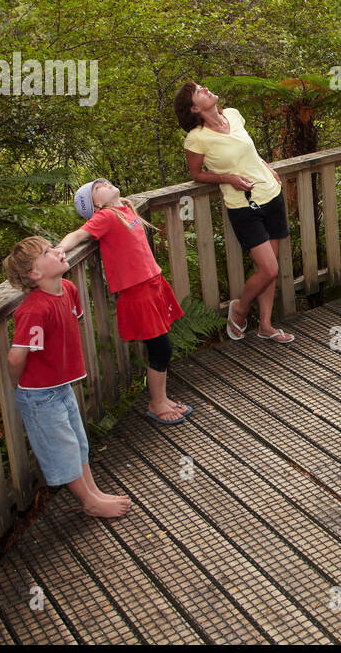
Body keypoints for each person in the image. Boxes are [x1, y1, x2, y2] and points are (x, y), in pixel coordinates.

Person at [3, 236, 131, 518]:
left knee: (78, 443)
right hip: (40, 395)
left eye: (53, 246)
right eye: (48, 252)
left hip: (61, 387)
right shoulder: (34, 309)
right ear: (34, 274)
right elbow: (16, 356)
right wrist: (16, 382)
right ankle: (89, 501)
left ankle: (94, 491)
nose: (57, 250)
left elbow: (72, 321)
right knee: (63, 450)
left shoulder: (69, 290)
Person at [57, 179, 191, 425]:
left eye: (104, 181)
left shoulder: (125, 208)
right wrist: (59, 250)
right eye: (98, 187)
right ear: (96, 204)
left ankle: (161, 398)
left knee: (161, 346)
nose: (105, 184)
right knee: (161, 348)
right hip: (137, 291)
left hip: (151, 283)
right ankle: (157, 403)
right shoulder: (106, 216)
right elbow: (79, 234)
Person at [174, 81, 295, 344]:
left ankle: (265, 324)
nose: (206, 89)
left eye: (203, 86)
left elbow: (247, 151)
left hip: (271, 195)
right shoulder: (197, 138)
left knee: (270, 268)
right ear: (195, 107)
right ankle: (239, 309)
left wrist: (265, 166)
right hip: (243, 206)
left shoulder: (233, 114)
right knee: (269, 269)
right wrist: (228, 177)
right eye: (199, 92)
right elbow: (196, 173)